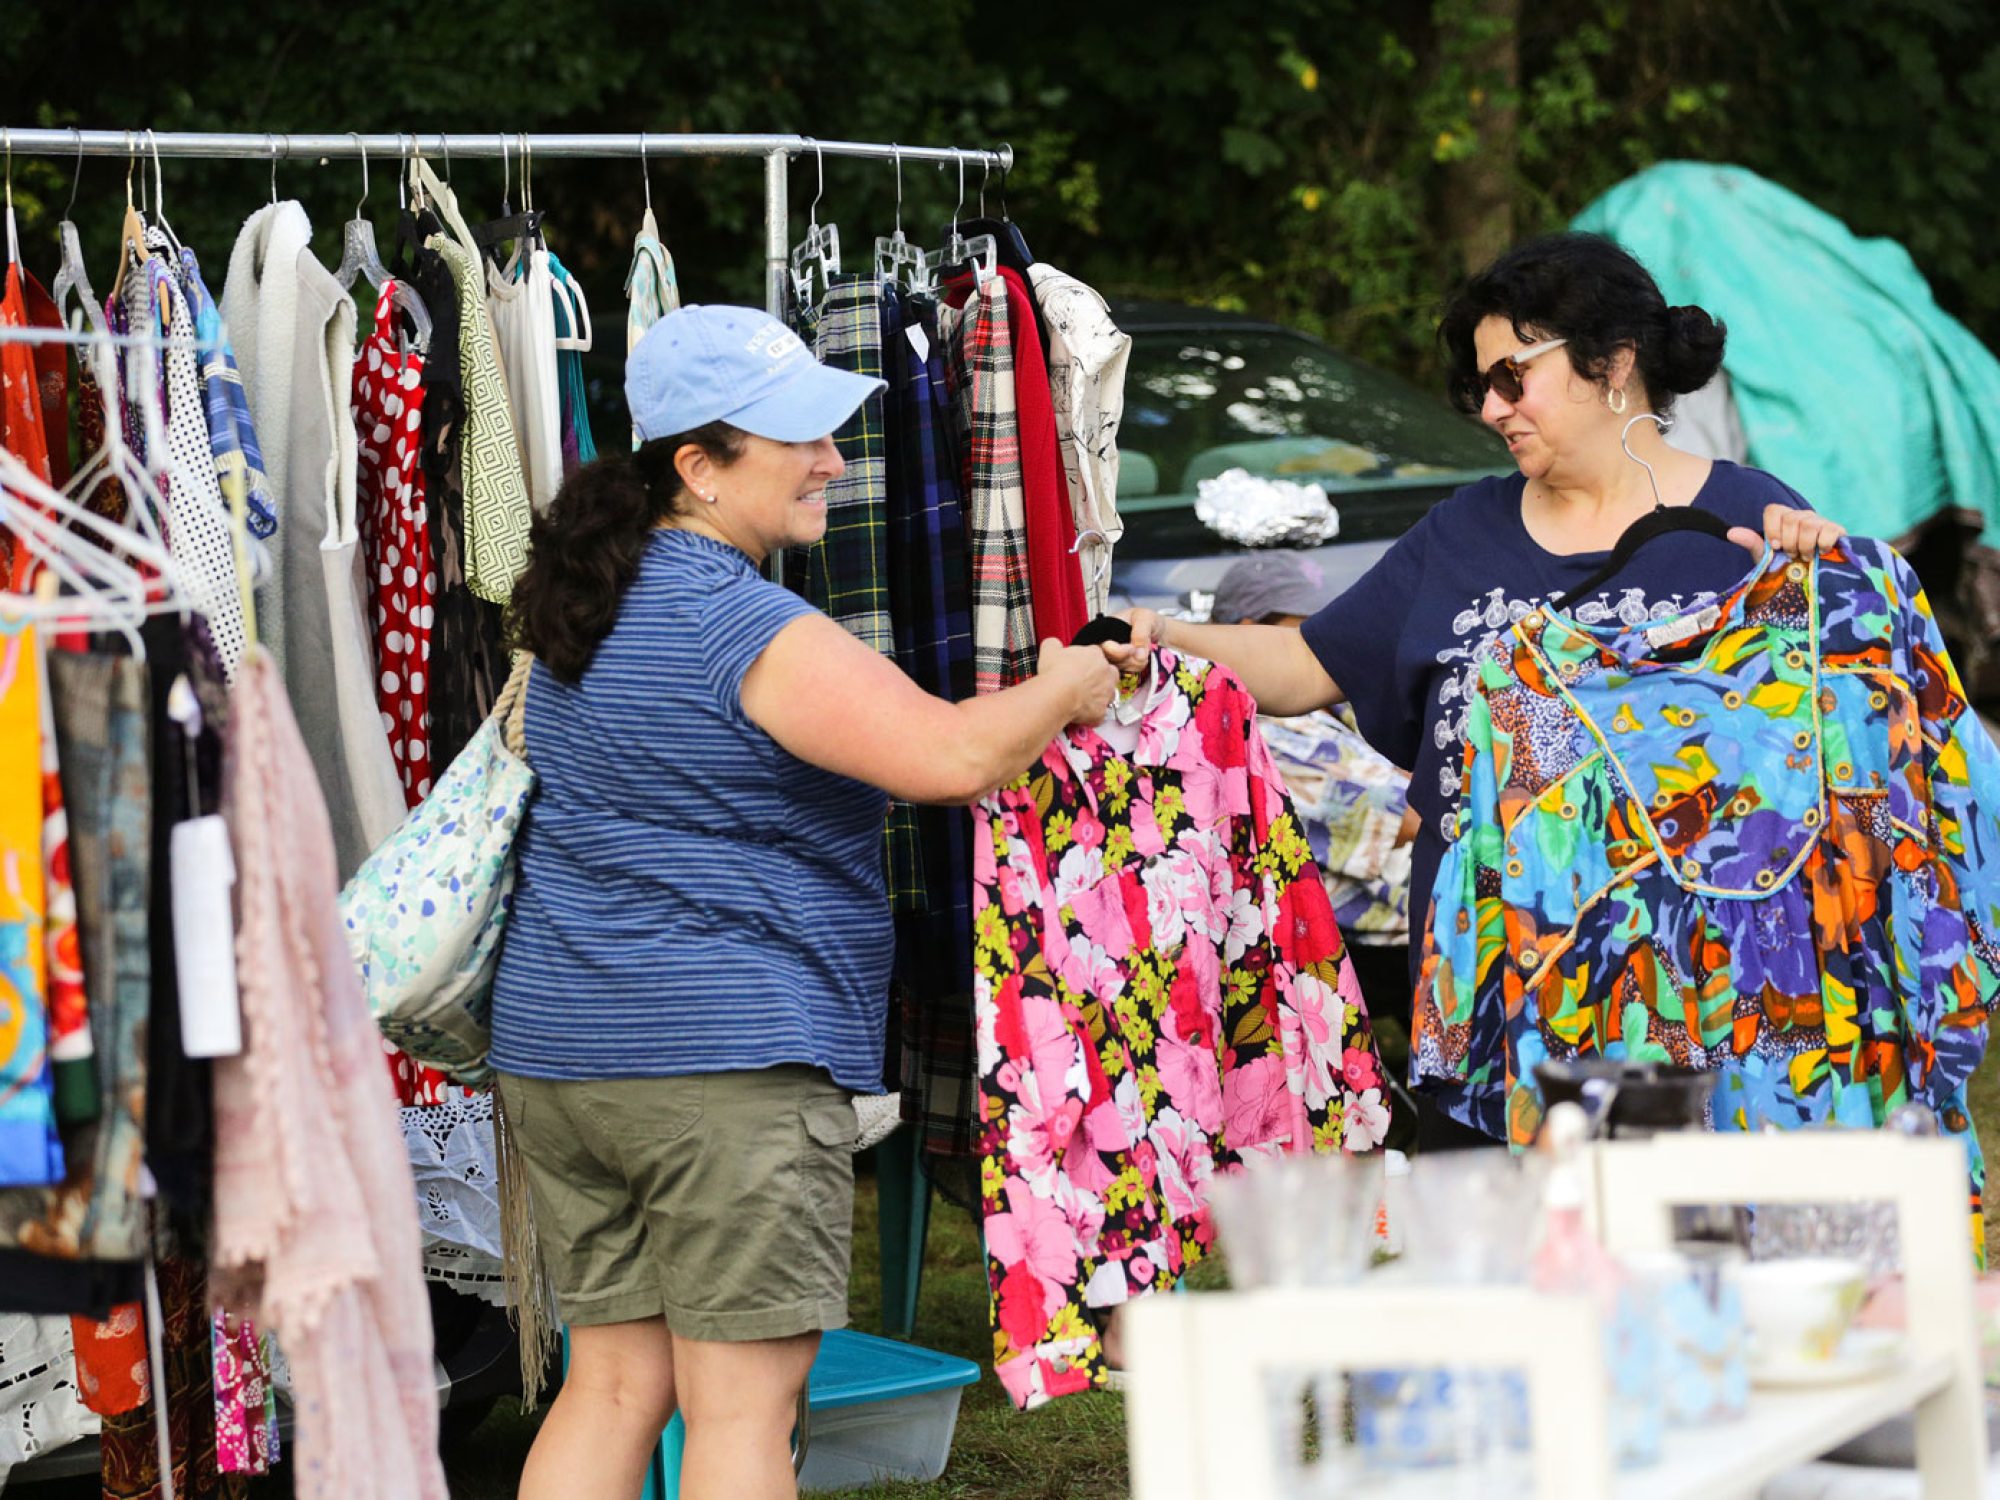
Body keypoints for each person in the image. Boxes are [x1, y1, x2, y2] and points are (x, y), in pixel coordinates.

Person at [491, 304, 1120, 1500]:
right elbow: (950, 758)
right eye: (800, 438)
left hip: (563, 1051)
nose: (833, 460)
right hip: (719, 1064)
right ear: (698, 467)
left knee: (612, 1387)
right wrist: (1064, 685)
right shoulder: (742, 621)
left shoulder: (591, 600)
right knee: (744, 1412)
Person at [1112, 233, 1848, 1144]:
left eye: (1513, 376)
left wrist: (1823, 577)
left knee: (1666, 1224)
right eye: (1480, 386)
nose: (1494, 407)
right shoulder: (1463, 531)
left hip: (1698, 985)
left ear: (1614, 363)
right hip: (1485, 981)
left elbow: (1841, 746)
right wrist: (1165, 637)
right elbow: (1308, 663)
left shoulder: (1752, 524)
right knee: (1485, 1224)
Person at [1207, 552, 1418, 1026]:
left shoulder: (1323, 701)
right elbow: (1414, 814)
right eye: (1307, 629)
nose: (1331, 637)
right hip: (1383, 942)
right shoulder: (1263, 734)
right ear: (1249, 634)